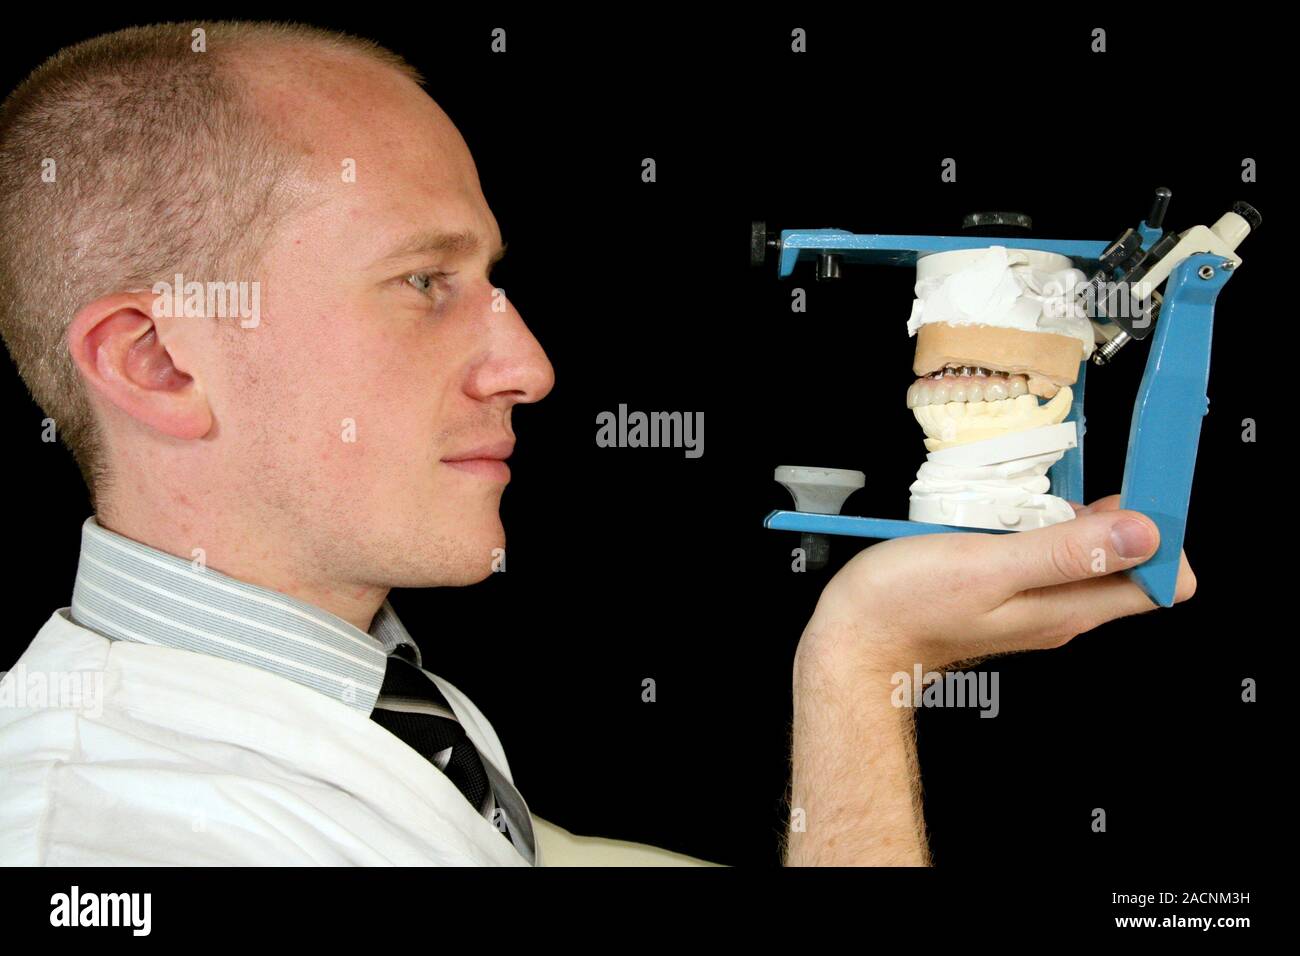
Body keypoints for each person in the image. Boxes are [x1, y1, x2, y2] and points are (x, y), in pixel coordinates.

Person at [0, 21, 1195, 867]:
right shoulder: (109, 834)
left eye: (487, 278)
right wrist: (855, 678)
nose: (529, 367)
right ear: (156, 362)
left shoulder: (362, 678)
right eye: (424, 281)